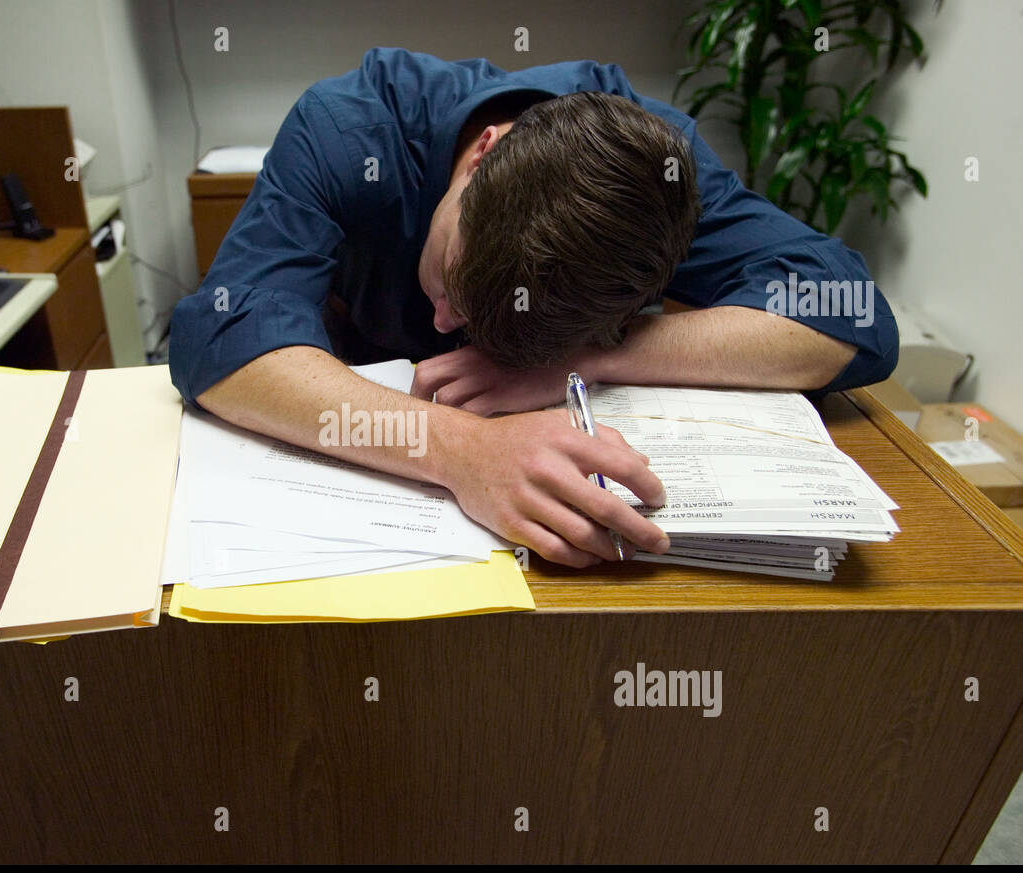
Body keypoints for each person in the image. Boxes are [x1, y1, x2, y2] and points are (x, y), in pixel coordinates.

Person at [169, 48, 897, 568]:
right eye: (451, 281)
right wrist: (459, 450)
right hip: (355, 492)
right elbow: (226, 335)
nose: (446, 325)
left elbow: (848, 311)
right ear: (482, 154)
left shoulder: (651, 171)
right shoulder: (351, 128)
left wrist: (590, 359)